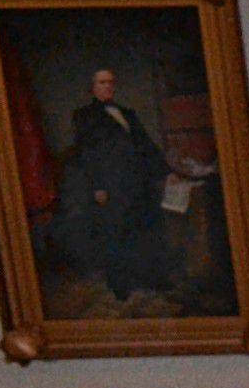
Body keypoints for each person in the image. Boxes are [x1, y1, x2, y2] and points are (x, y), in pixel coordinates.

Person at [56, 68, 174, 301]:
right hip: (111, 186)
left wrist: (166, 171)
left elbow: (145, 145)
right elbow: (86, 154)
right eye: (102, 83)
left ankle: (152, 279)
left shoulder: (127, 113)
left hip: (138, 183)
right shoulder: (84, 116)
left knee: (146, 230)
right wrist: (97, 187)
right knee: (116, 234)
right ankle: (120, 286)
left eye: (110, 82)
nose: (107, 87)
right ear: (92, 87)